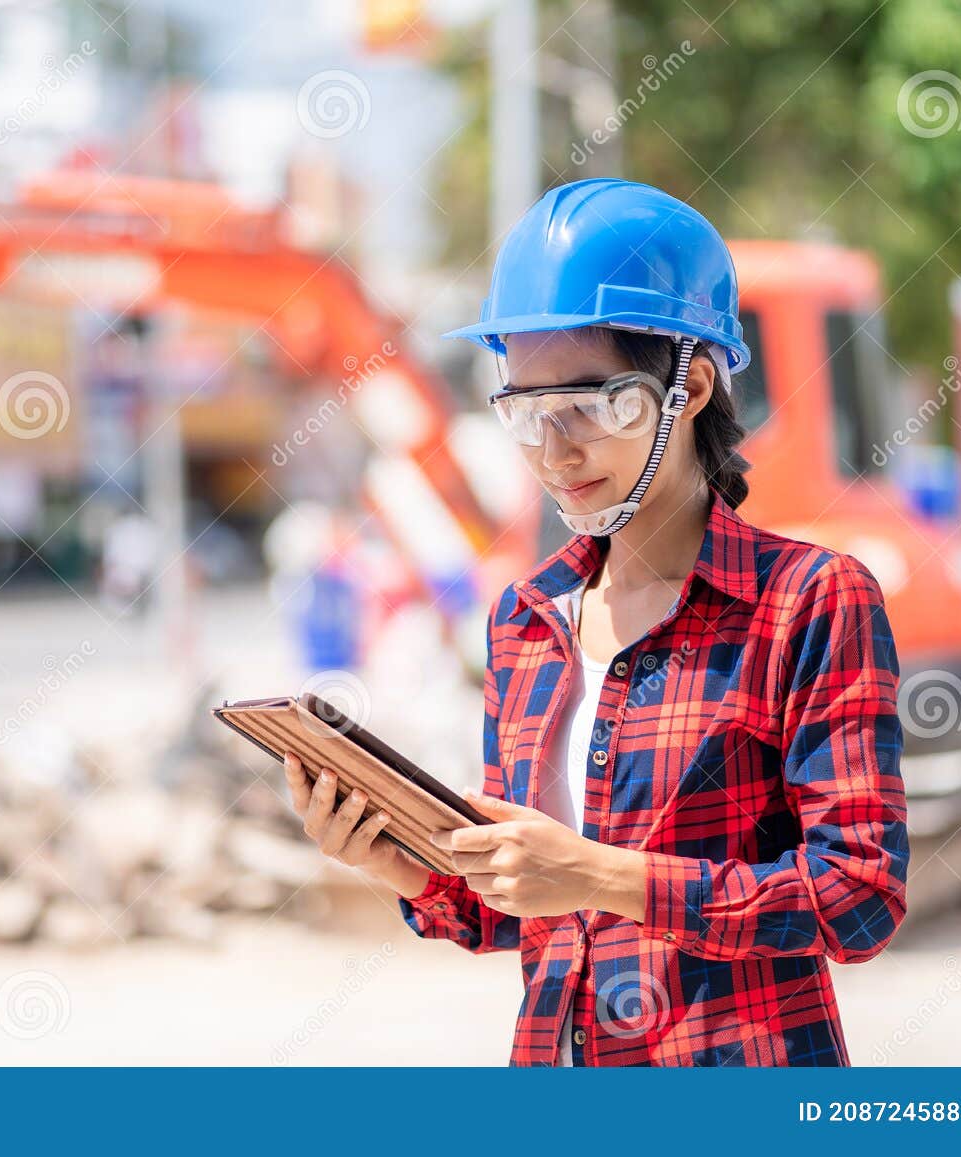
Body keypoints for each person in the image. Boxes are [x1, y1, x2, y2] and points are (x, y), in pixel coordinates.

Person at [281, 178, 908, 1066]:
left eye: (592, 405)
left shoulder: (808, 601)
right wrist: (396, 858)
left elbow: (858, 896)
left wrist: (598, 874)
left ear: (690, 387)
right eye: (528, 412)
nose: (555, 449)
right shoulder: (525, 619)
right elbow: (522, 908)